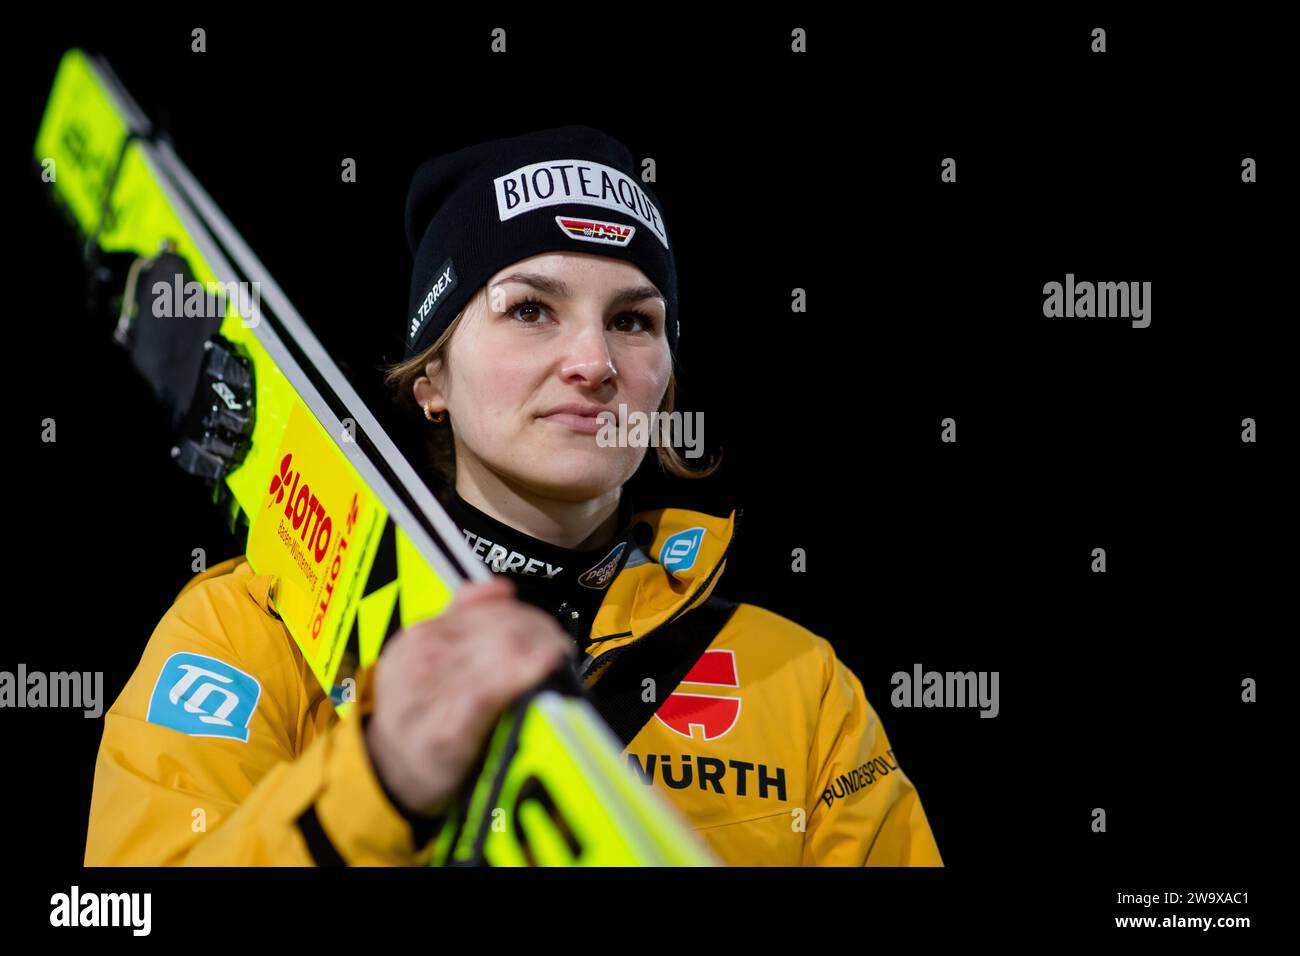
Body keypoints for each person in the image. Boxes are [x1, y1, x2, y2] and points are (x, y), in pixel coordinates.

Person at [84, 125, 943, 867]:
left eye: (634, 321)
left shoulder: (801, 684)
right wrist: (373, 790)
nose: (594, 363)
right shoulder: (250, 629)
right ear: (432, 382)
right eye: (530, 309)